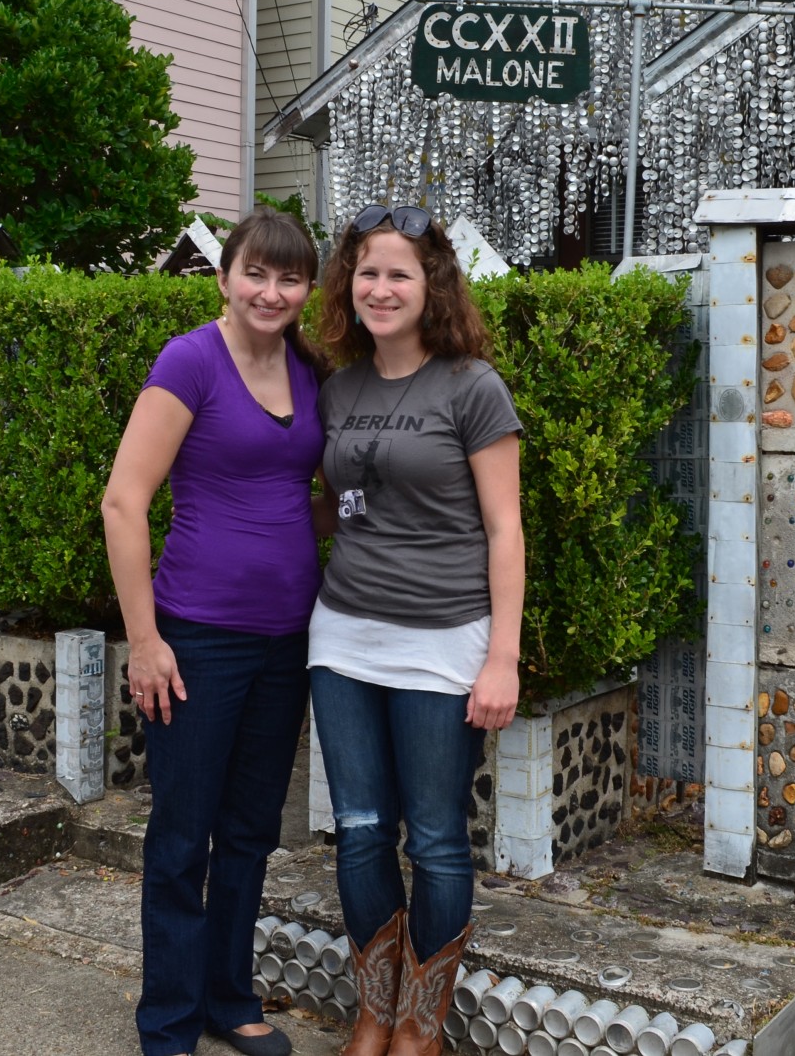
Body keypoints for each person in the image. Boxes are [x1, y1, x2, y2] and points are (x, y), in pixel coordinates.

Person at [101, 206, 330, 1056]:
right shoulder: (190, 360)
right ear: (225, 277)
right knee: (181, 833)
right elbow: (124, 502)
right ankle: (167, 1017)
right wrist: (146, 640)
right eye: (256, 274)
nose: (272, 291)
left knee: (249, 830)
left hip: (286, 642)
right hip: (197, 637)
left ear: (308, 289)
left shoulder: (309, 368)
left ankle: (229, 998)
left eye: (290, 277)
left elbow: (299, 494)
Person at [309, 203, 525, 1056]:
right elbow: (341, 508)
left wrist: (501, 656)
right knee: (361, 829)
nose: (382, 287)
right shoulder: (338, 388)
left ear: (430, 284)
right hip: (344, 636)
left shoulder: (472, 386)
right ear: (349, 284)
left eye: (400, 272)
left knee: (436, 838)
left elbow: (505, 527)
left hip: (444, 639)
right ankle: (372, 1012)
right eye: (368, 271)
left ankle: (419, 1027)